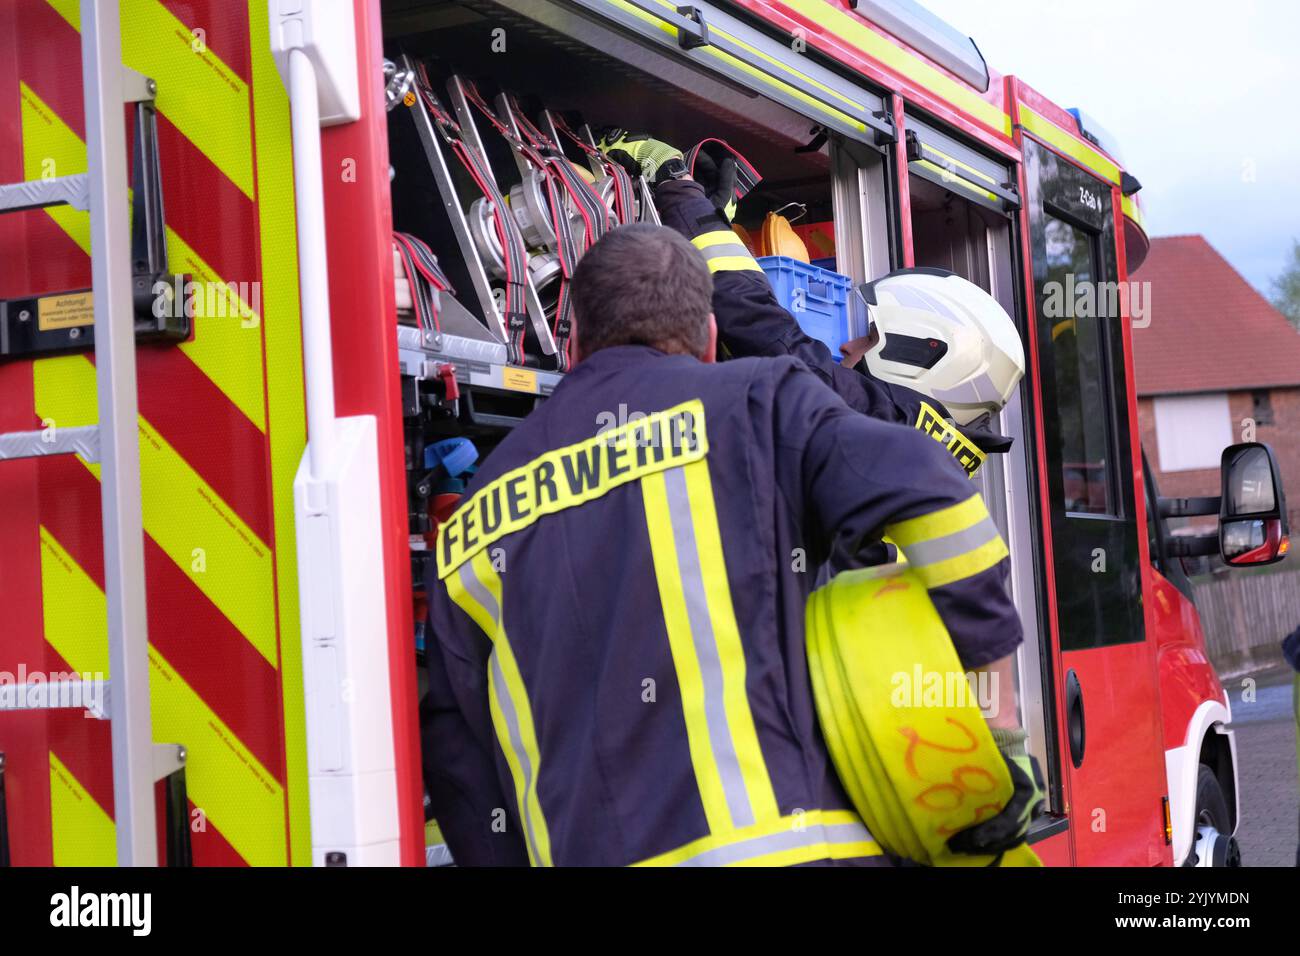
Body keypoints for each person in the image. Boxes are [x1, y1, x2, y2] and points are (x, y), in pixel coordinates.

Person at [420, 207, 1033, 866]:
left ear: (571, 346)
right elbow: (932, 483)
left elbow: (455, 753)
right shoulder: (762, 402)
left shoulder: (476, 511)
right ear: (710, 338)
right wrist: (994, 727)